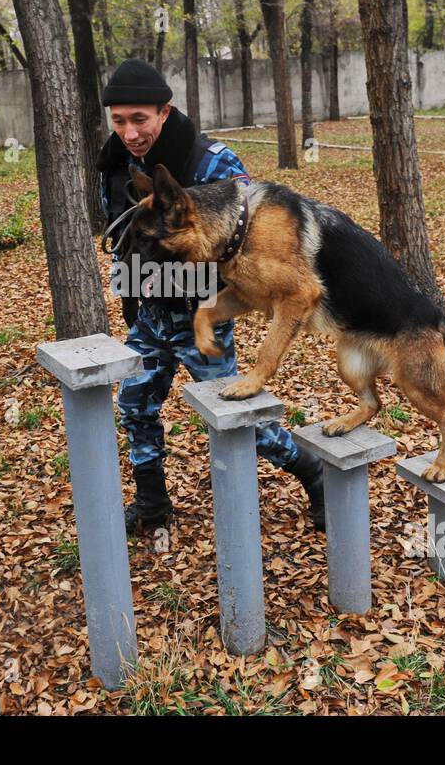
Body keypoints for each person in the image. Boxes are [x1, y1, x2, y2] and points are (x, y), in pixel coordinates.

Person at [95, 58, 324, 534]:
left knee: (246, 423)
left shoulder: (214, 162)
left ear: (164, 111)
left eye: (140, 119)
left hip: (204, 314)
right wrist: (135, 297)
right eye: (119, 120)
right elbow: (124, 236)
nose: (130, 132)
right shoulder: (116, 161)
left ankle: (314, 474)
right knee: (135, 405)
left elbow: (248, 245)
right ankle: (153, 505)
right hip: (148, 314)